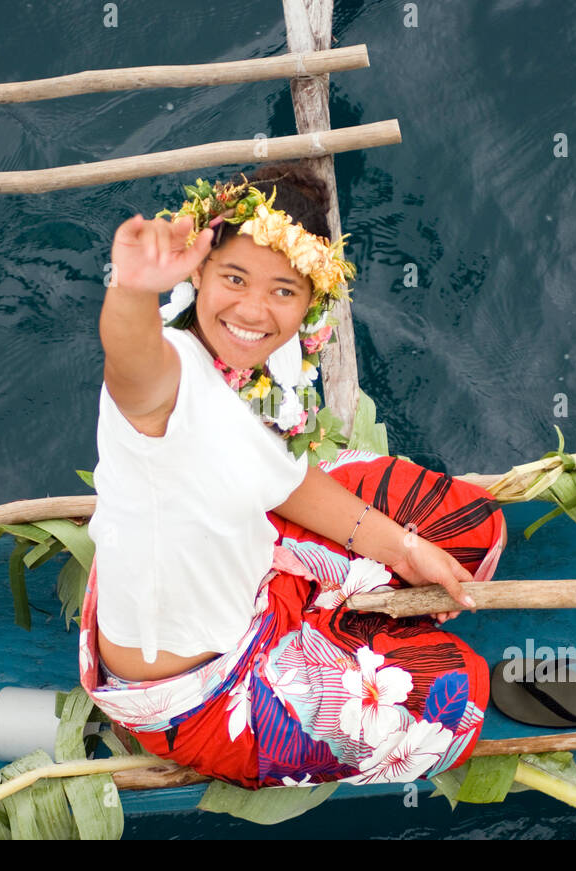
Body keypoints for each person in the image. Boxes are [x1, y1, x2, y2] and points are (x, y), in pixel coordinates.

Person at [79, 163, 506, 788]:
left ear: (311, 301)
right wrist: (133, 290)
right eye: (233, 278)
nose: (254, 310)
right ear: (195, 272)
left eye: (284, 290)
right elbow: (131, 361)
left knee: (471, 526)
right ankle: (340, 636)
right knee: (457, 700)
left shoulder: (266, 364)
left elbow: (284, 479)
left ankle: (343, 625)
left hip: (257, 568)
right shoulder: (164, 385)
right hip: (204, 688)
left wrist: (403, 549)